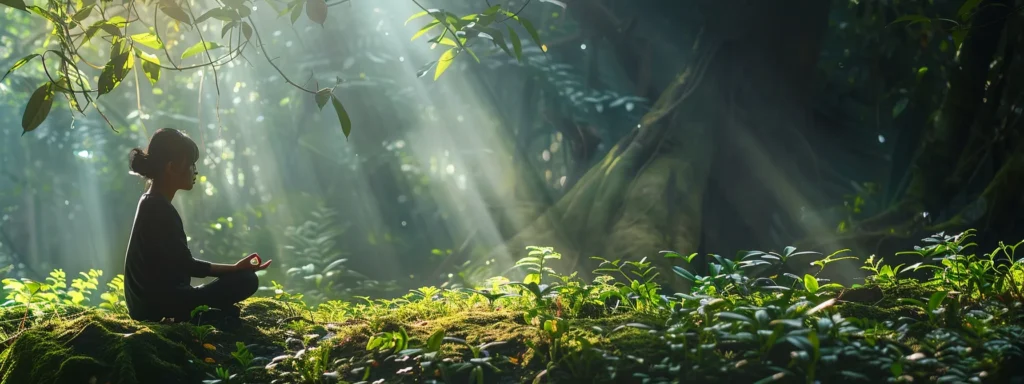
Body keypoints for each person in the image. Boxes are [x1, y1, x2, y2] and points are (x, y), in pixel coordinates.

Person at [122, 128, 271, 324]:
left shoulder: (151, 201)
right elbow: (188, 265)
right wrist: (234, 269)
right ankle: (194, 316)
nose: (195, 170)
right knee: (247, 280)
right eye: (191, 164)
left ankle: (201, 314)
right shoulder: (158, 208)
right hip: (156, 306)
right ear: (172, 167)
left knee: (236, 285)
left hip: (148, 304)